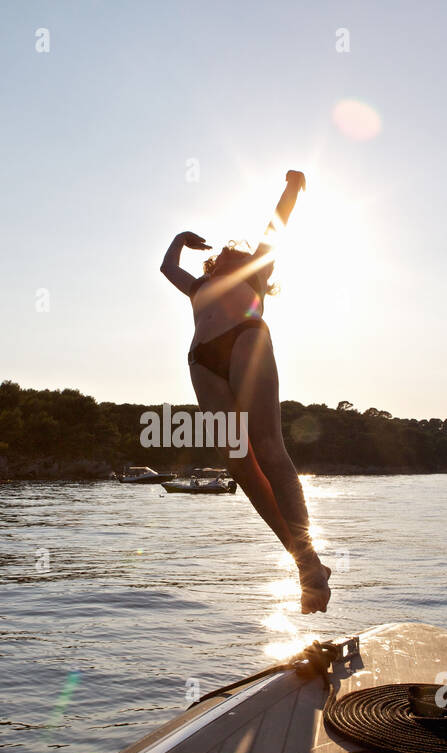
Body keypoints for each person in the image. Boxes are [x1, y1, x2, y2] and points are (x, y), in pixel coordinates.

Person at [159, 170, 331, 613]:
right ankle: (302, 561)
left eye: (241, 253)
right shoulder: (198, 286)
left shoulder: (256, 275)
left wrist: (292, 189)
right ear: (215, 264)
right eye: (227, 254)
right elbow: (166, 267)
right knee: (239, 463)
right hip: (203, 361)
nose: (235, 254)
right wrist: (179, 237)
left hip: (246, 337)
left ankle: (309, 560)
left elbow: (277, 225)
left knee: (269, 448)